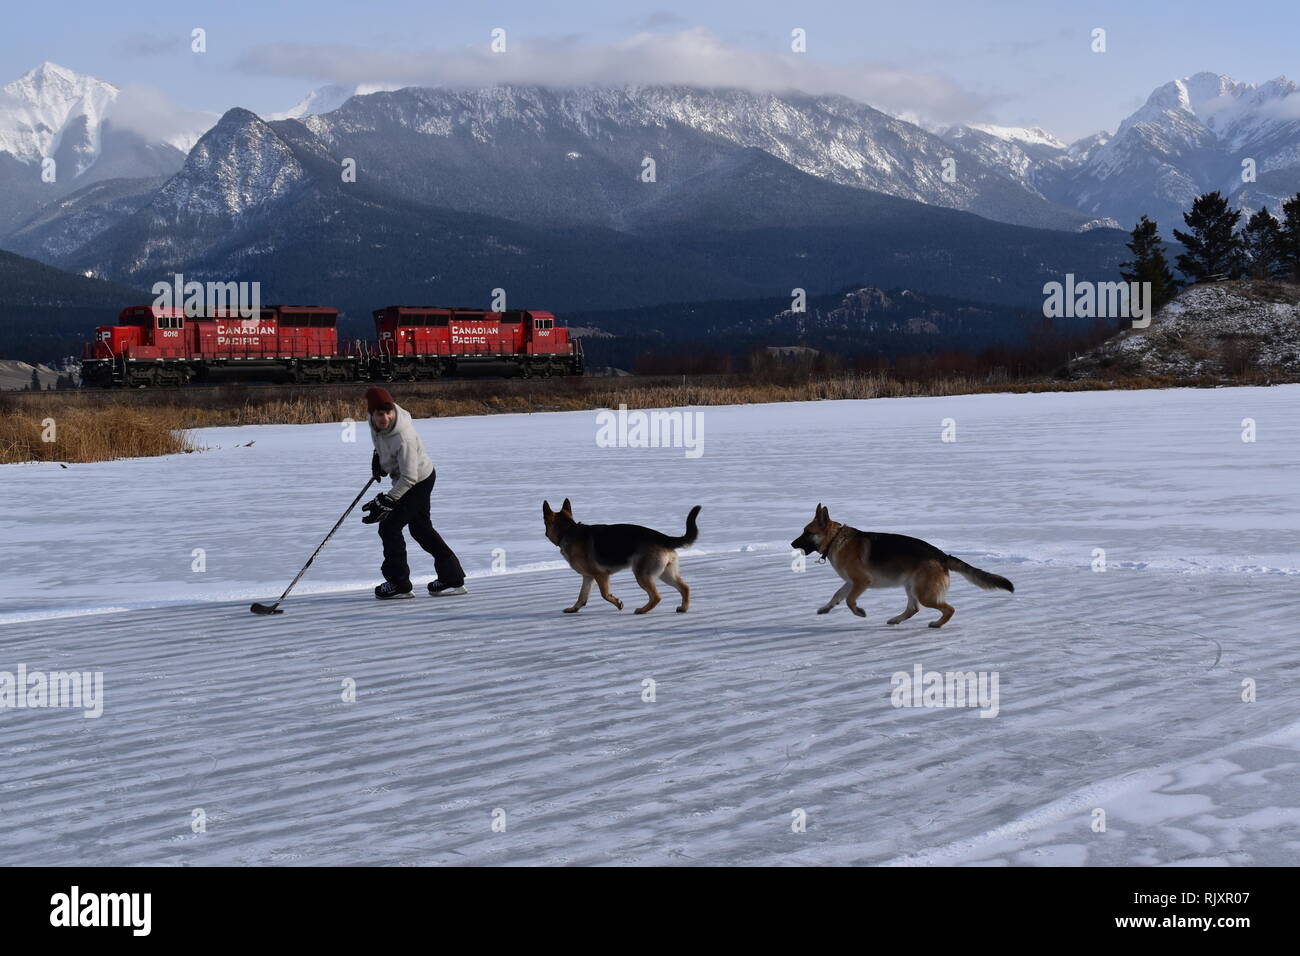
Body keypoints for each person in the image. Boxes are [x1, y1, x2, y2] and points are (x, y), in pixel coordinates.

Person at [361, 385, 468, 599]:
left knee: (389, 527)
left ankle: (399, 583)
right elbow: (381, 443)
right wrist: (379, 460)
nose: (385, 418)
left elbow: (409, 477)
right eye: (380, 414)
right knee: (421, 529)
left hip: (419, 480)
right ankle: (452, 578)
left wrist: (388, 500)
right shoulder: (375, 425)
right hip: (408, 478)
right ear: (372, 414)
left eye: (388, 412)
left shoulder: (404, 436)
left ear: (393, 410)